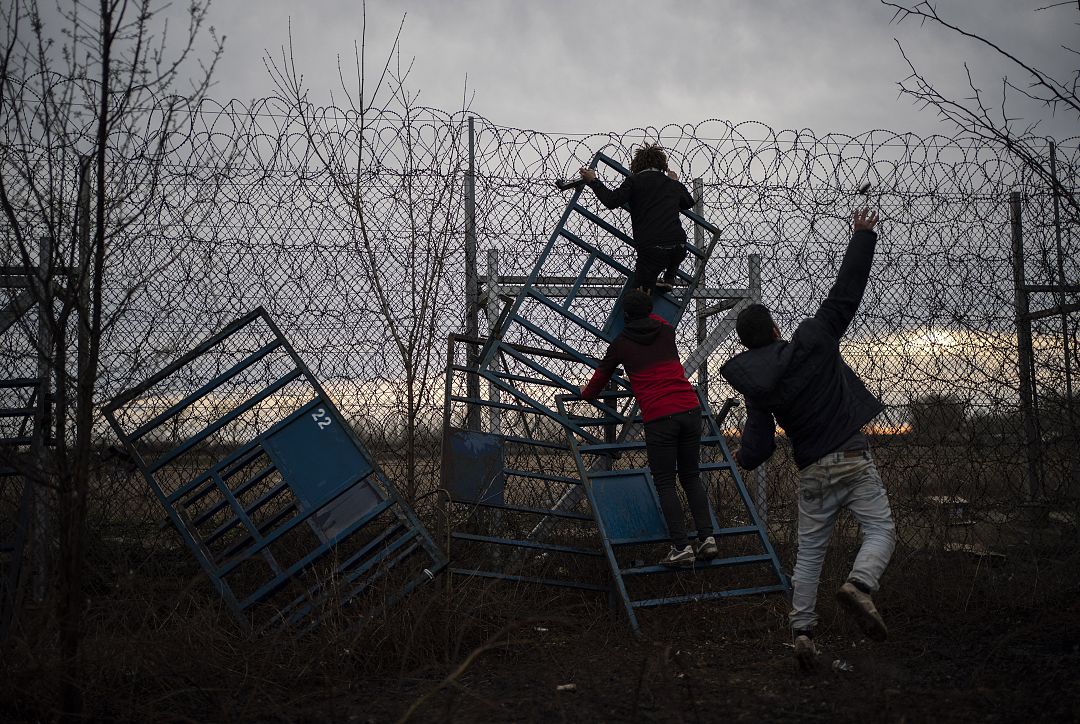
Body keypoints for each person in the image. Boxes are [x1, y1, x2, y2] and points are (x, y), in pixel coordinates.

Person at [719, 208, 896, 669]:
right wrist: (862, 235)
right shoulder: (815, 339)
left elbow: (759, 444)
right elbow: (845, 293)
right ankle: (860, 584)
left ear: (746, 345)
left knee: (810, 554)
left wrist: (744, 456)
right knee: (880, 529)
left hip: (813, 469)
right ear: (776, 330)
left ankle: (802, 633)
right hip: (852, 456)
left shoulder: (759, 387)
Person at [580, 289, 717, 567]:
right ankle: (707, 539)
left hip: (660, 416)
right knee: (690, 476)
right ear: (650, 311)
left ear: (625, 315)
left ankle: (681, 547)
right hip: (690, 408)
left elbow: (598, 381)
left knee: (665, 481)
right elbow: (656, 319)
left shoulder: (620, 344)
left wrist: (585, 393)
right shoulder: (666, 332)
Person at [578, 144, 695, 294]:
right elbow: (688, 202)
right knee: (670, 257)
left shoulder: (634, 181)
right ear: (662, 165)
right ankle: (669, 279)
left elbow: (612, 201)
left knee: (638, 296)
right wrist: (675, 182)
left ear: (636, 165)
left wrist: (593, 181)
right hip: (679, 246)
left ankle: (646, 293)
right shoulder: (671, 183)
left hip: (652, 248)